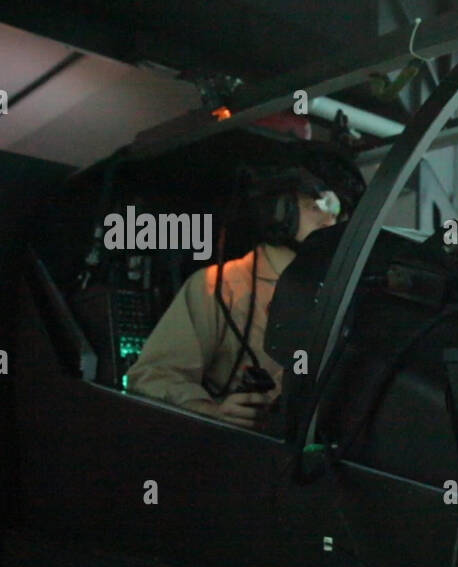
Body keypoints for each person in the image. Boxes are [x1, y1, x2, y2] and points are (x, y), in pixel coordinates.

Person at [126, 149, 364, 428]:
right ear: (280, 209)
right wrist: (212, 411)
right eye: (318, 206)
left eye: (340, 212)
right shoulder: (219, 286)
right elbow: (151, 376)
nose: (330, 222)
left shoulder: (342, 293)